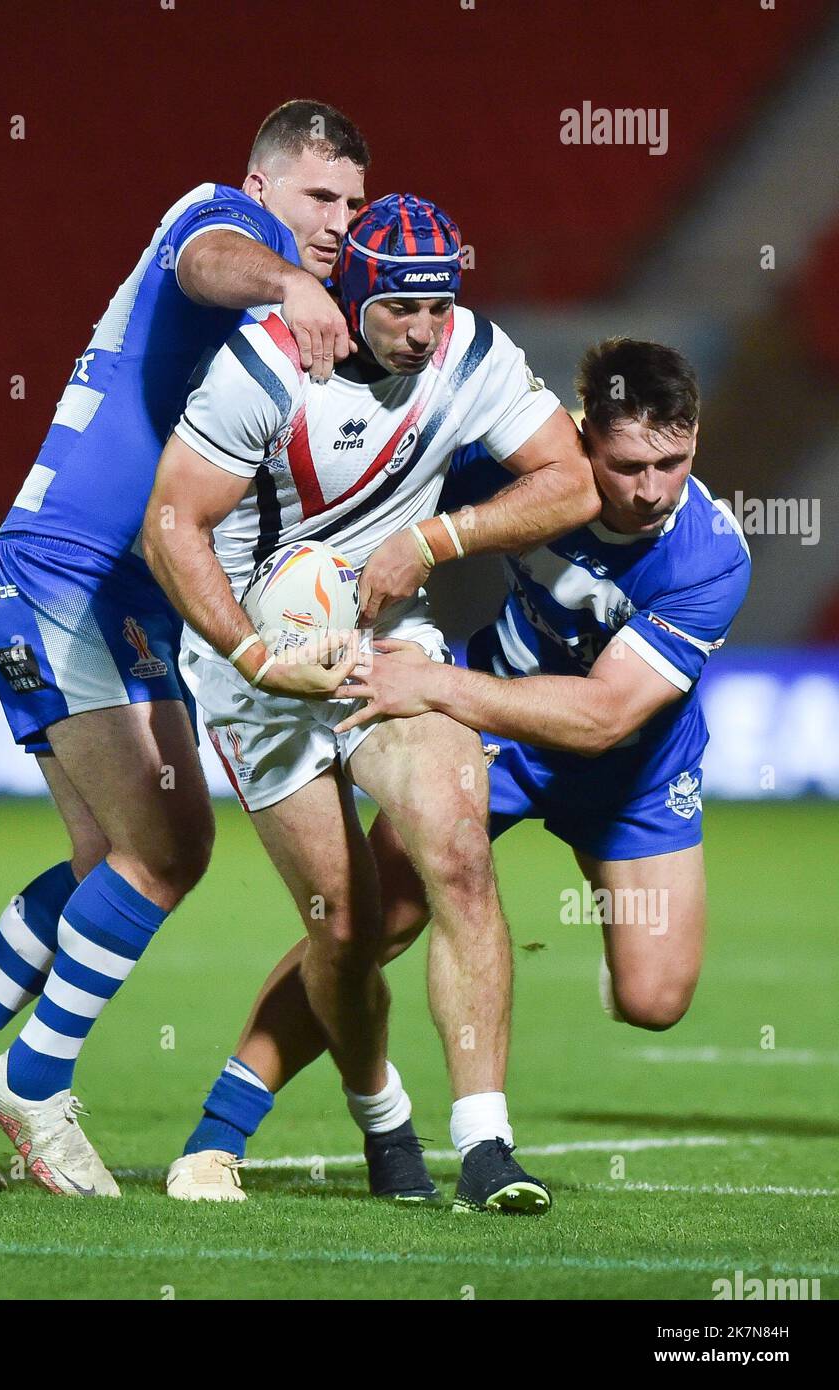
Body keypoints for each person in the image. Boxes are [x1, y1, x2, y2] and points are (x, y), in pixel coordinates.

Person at [0, 100, 369, 1197]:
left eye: (350, 205)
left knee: (119, 862)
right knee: (169, 846)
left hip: (106, 594)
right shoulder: (224, 224)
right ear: (264, 180)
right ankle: (34, 1082)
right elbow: (209, 260)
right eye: (318, 195)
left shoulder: (278, 338)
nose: (334, 221)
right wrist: (283, 275)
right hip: (64, 576)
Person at [145, 194, 599, 1213]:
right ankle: (382, 1118)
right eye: (400, 308)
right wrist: (260, 655)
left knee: (457, 851)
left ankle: (485, 1145)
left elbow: (568, 484)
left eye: (438, 307)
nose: (423, 329)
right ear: (351, 293)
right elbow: (172, 524)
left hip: (385, 648)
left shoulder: (467, 353)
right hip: (253, 670)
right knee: (342, 931)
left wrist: (433, 540)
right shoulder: (263, 365)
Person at [333, 338, 751, 1035]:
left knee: (653, 1002)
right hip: (497, 719)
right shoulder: (521, 471)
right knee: (370, 931)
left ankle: (613, 892)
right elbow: (393, 500)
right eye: (627, 466)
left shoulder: (711, 558)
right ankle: (227, 1117)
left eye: (671, 463)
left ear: (695, 439)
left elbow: (603, 717)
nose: (651, 490)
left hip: (634, 765)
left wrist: (429, 683)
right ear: (583, 436)